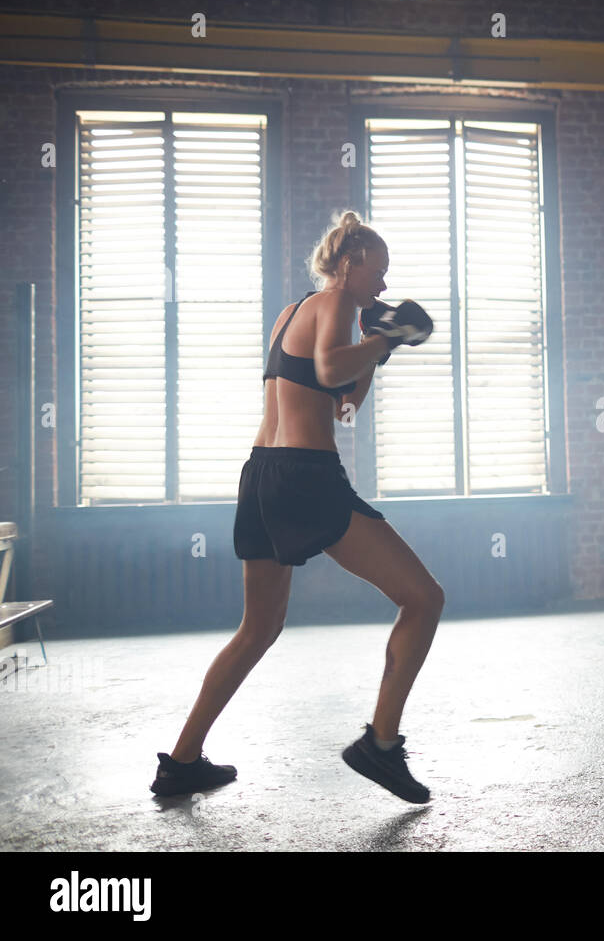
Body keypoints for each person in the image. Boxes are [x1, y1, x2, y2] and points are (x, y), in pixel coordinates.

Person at [150, 210, 443, 804]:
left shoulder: (293, 313)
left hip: (261, 476)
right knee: (425, 598)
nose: (382, 286)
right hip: (306, 479)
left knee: (257, 627)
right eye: (378, 272)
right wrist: (382, 338)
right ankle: (379, 746)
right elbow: (334, 369)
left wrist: (378, 353)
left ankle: (182, 762)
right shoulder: (335, 301)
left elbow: (343, 407)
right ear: (348, 263)